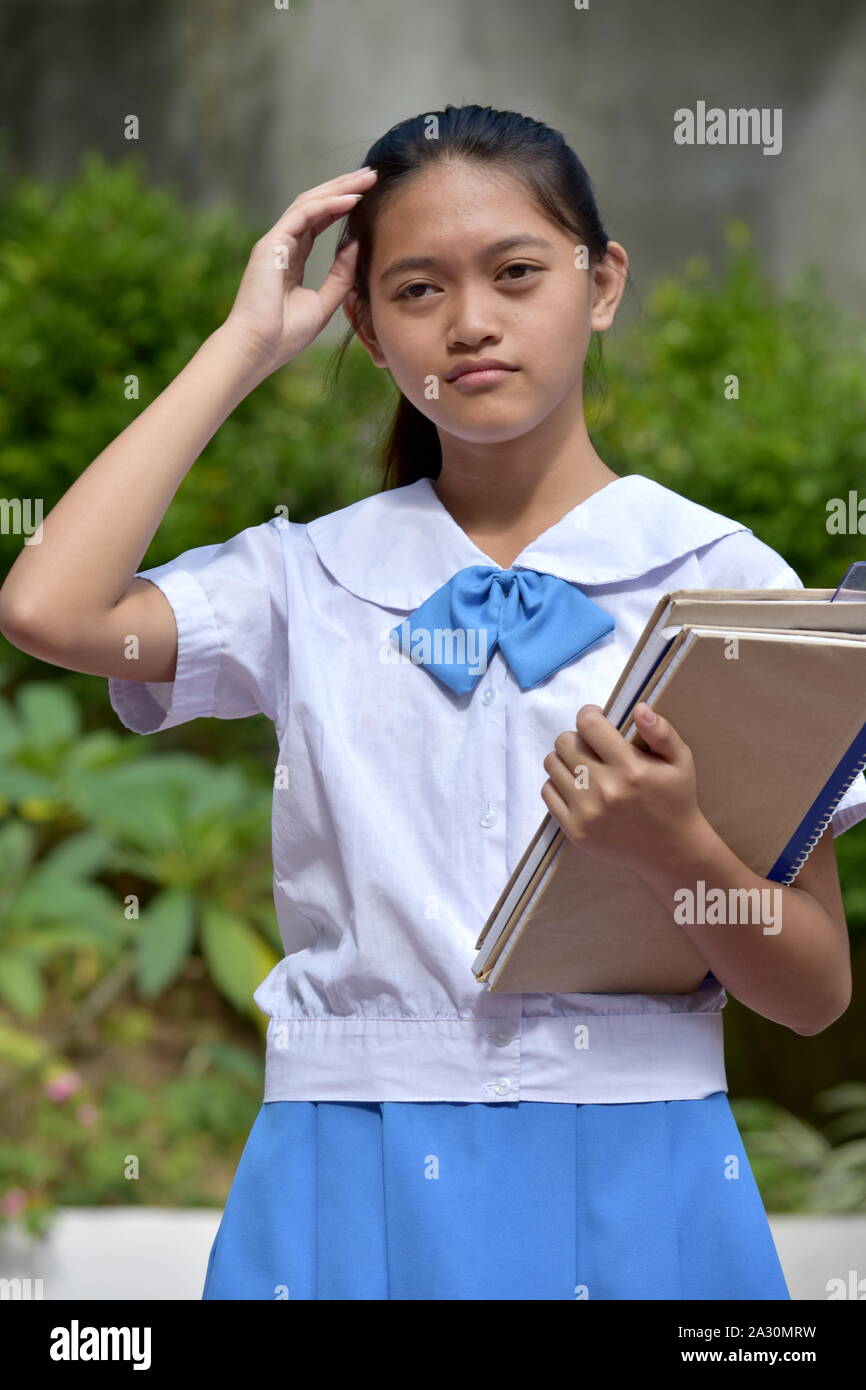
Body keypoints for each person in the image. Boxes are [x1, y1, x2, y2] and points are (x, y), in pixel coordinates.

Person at [3, 103, 864, 1302]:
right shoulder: (303, 577)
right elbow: (49, 608)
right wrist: (244, 346)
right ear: (360, 322)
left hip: (637, 1163)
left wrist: (673, 848)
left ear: (601, 281)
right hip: (341, 1165)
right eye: (413, 291)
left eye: (516, 272)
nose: (469, 323)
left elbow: (813, 990)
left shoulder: (718, 580)